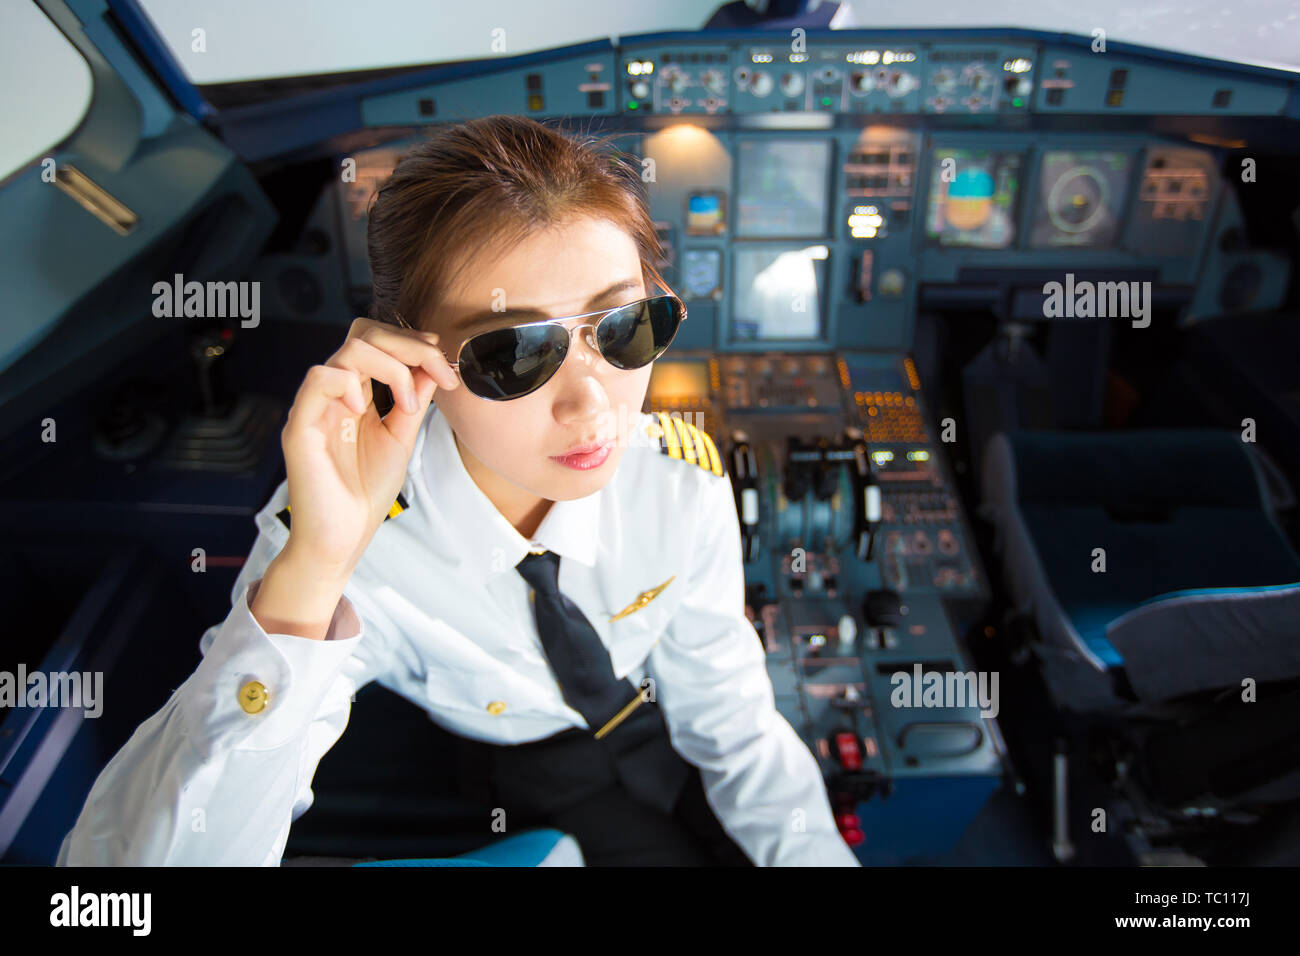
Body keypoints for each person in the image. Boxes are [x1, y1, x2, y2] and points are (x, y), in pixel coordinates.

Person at [56, 115, 860, 867]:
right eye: (514, 355)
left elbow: (734, 722)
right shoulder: (344, 539)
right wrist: (319, 566)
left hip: (659, 726)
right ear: (416, 360)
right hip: (524, 763)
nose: (592, 405)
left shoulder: (681, 484)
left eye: (624, 329)